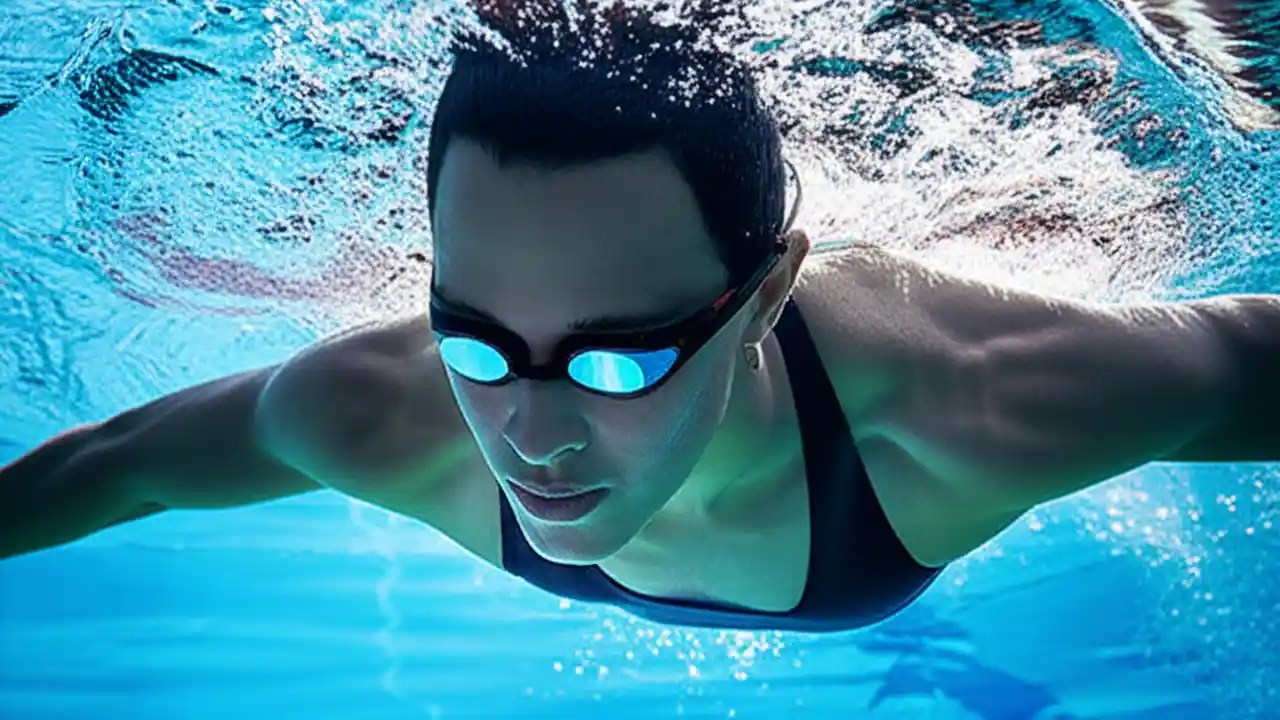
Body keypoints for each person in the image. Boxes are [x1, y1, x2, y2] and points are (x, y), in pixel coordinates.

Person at [1, 1, 1276, 632]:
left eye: (616, 361)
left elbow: (1241, 359)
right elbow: (122, 466)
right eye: (473, 343)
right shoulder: (380, 412)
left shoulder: (980, 409)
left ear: (769, 293)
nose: (532, 439)